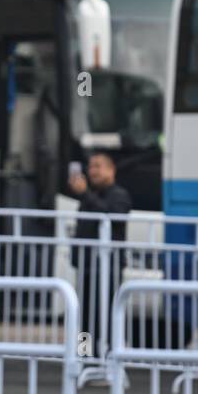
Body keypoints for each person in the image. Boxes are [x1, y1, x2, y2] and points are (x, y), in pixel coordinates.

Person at [69, 151, 132, 355]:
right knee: (85, 315)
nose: (92, 171)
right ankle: (84, 355)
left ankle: (111, 356)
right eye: (91, 166)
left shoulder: (119, 194)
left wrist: (85, 194)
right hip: (86, 265)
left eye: (98, 166)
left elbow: (113, 217)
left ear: (111, 169)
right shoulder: (89, 196)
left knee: (107, 313)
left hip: (108, 266)